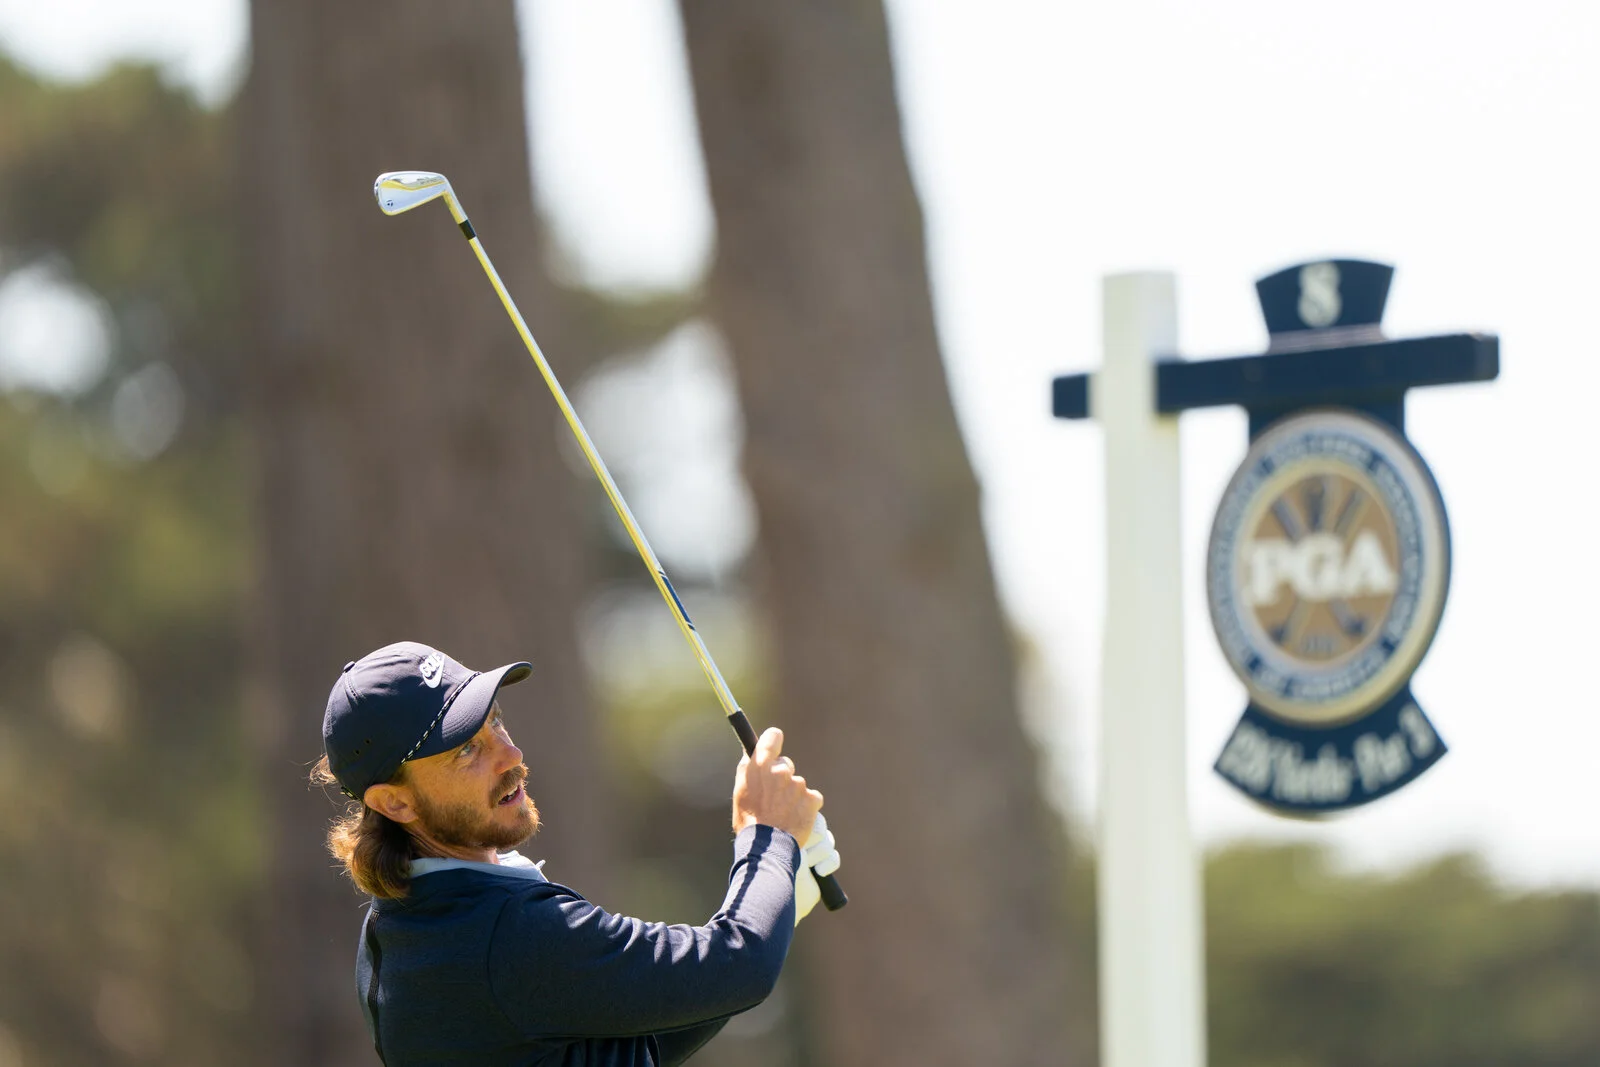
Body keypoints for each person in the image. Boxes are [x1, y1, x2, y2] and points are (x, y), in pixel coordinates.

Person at [312, 640, 841, 1066]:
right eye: (466, 749)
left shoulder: (402, 923)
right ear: (396, 801)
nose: (510, 755)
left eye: (493, 720)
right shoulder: (506, 934)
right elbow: (736, 968)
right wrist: (767, 835)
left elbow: (632, 1040)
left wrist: (780, 900)